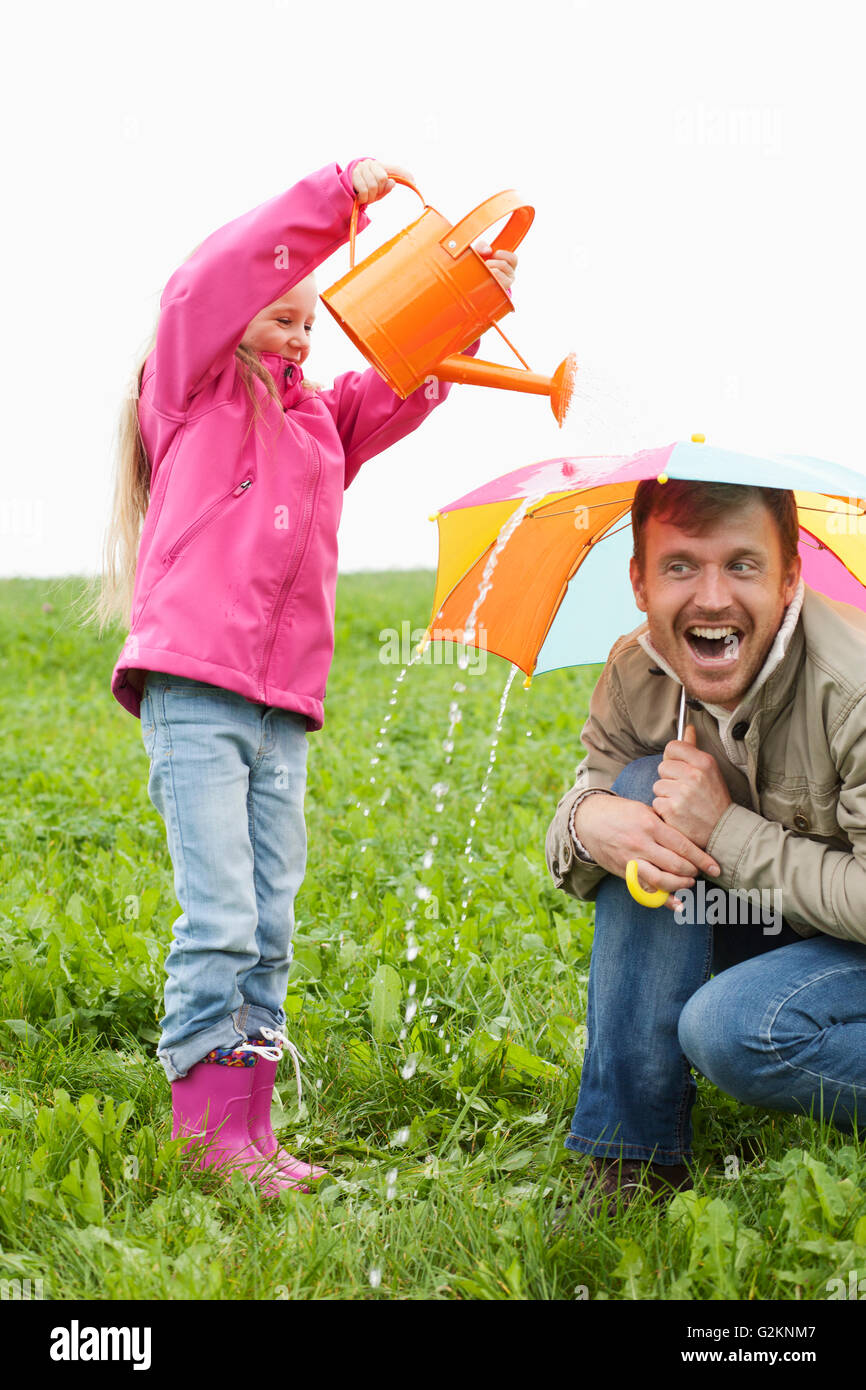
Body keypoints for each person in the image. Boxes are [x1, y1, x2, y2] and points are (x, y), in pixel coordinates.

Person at [84, 157, 518, 1196]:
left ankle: (250, 1125)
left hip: (281, 708)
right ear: (234, 319)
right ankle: (203, 1130)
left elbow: (406, 374)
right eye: (278, 316)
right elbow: (207, 279)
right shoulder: (188, 388)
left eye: (307, 322)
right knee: (222, 911)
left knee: (270, 920)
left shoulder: (319, 420)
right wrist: (339, 198)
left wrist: (473, 292)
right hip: (195, 688)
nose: (297, 334)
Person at [545, 477, 866, 1219]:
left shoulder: (851, 689)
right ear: (640, 581)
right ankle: (630, 1155)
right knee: (635, 786)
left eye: (743, 565)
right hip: (784, 929)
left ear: (790, 577)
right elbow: (586, 808)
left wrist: (722, 830)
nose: (713, 598)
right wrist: (591, 821)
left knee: (732, 1027)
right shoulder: (635, 674)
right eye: (682, 565)